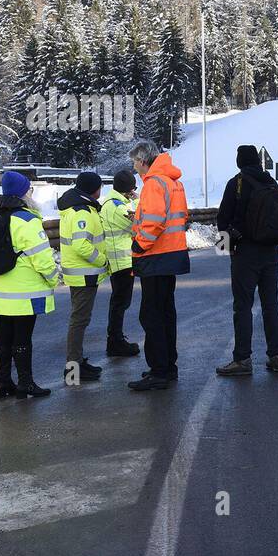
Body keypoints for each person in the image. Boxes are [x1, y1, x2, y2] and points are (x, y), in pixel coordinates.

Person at [0, 171, 58, 398]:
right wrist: (53, 277)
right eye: (29, 189)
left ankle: (2, 383)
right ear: (23, 194)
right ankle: (25, 383)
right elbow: (43, 259)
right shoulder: (26, 221)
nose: (31, 193)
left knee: (4, 334)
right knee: (23, 337)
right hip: (25, 292)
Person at [214, 144, 278, 376]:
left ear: (240, 161)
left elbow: (222, 218)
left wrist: (226, 249)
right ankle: (276, 356)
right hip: (270, 252)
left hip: (244, 253)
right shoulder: (270, 182)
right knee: (271, 304)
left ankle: (242, 359)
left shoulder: (236, 183)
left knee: (243, 307)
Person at [125, 140, 190, 392]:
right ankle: (167, 366)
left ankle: (159, 370)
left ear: (143, 161)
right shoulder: (173, 181)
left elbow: (154, 221)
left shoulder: (153, 183)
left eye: (134, 162)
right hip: (171, 254)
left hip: (155, 255)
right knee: (165, 313)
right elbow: (181, 217)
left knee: (151, 315)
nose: (134, 167)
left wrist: (140, 245)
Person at [57, 172, 108, 384]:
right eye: (99, 187)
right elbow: (81, 245)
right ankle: (73, 369)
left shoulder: (76, 207)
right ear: (92, 189)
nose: (100, 191)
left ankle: (77, 362)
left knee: (80, 320)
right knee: (79, 321)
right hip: (84, 273)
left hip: (81, 273)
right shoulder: (82, 212)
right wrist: (102, 260)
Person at [102, 168, 140, 357]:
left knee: (120, 301)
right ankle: (115, 341)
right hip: (122, 261)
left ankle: (115, 339)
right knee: (120, 302)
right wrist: (138, 199)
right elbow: (138, 224)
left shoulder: (116, 202)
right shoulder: (117, 206)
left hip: (121, 260)